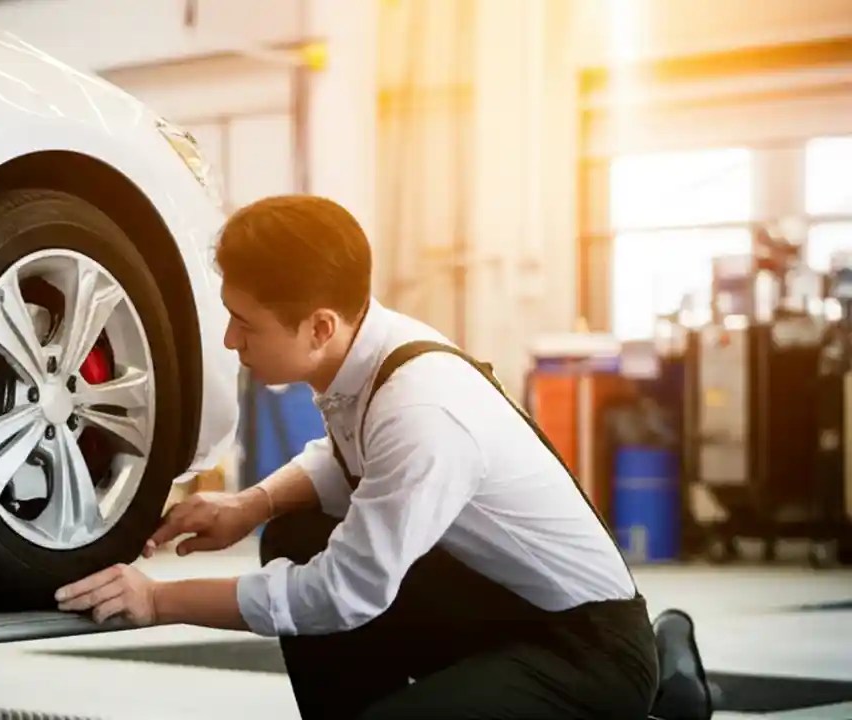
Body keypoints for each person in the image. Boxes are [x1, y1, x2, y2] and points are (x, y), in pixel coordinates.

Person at [54, 195, 712, 719]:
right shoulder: (372, 345)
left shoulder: (422, 410)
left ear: (319, 327)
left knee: (324, 572)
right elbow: (346, 461)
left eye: (245, 324)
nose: (230, 340)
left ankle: (651, 687)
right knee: (296, 531)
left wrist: (159, 602)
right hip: (505, 605)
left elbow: (346, 594)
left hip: (584, 650)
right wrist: (247, 504)